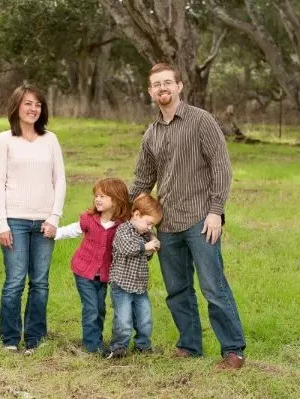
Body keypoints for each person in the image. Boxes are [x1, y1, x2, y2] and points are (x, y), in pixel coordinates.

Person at [130, 63, 246, 369]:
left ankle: (233, 350)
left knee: (213, 286)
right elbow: (142, 181)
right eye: (157, 84)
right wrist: (133, 215)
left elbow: (221, 167)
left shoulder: (201, 121)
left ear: (180, 86)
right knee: (177, 289)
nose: (162, 88)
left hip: (200, 219)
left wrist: (216, 212)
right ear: (151, 92)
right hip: (167, 223)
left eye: (168, 82)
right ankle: (190, 345)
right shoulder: (151, 134)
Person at [0, 83, 66, 355]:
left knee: (40, 283)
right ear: (16, 106)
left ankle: (35, 339)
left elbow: (60, 180)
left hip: (44, 222)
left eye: (38, 104)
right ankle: (10, 339)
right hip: (15, 222)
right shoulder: (3, 141)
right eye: (28, 103)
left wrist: (54, 217)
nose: (34, 109)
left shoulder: (51, 140)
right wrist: (2, 223)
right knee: (15, 281)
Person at [55, 178, 131, 353]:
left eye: (103, 196)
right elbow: (72, 230)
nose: (97, 199)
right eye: (96, 195)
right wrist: (55, 233)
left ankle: (96, 339)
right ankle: (92, 346)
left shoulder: (122, 225)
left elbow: (140, 232)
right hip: (83, 271)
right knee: (91, 308)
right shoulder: (89, 219)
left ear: (117, 200)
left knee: (100, 308)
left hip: (103, 275)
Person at [103, 194, 162, 359]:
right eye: (148, 223)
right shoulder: (123, 230)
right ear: (136, 215)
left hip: (139, 285)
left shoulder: (144, 234)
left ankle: (143, 345)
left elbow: (146, 255)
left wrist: (152, 245)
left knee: (145, 319)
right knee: (123, 320)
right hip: (121, 284)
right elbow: (128, 248)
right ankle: (118, 347)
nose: (150, 228)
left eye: (152, 225)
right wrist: (146, 246)